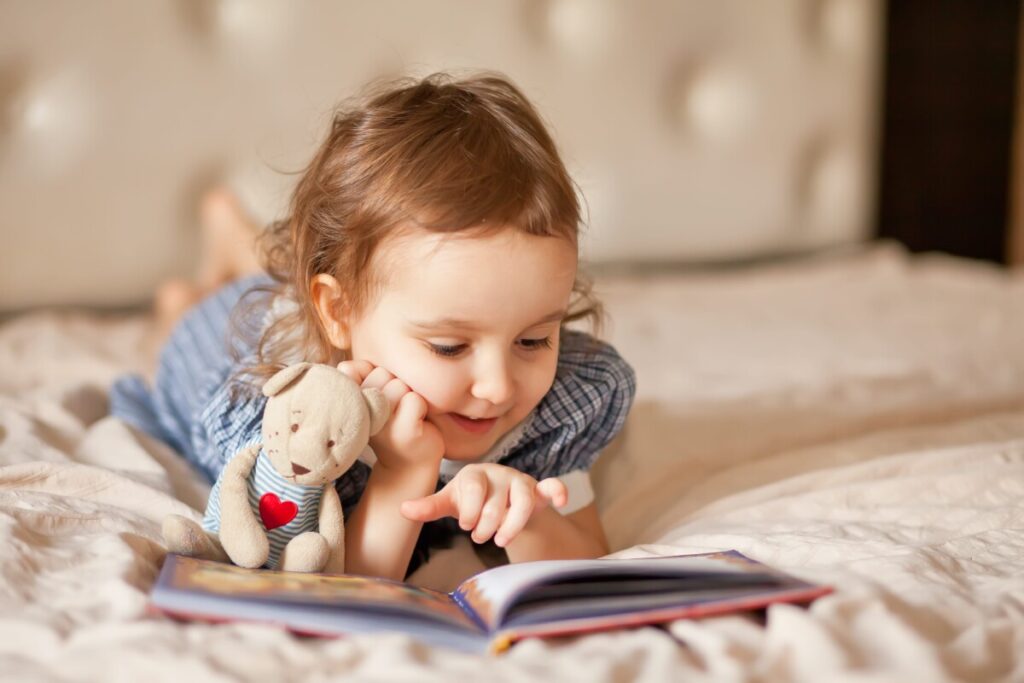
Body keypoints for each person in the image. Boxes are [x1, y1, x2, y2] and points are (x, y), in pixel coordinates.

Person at [110, 71, 636, 582]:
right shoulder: (294, 419)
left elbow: (588, 553)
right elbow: (332, 583)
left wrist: (528, 516)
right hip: (223, 337)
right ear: (336, 314)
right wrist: (400, 473)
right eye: (450, 347)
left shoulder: (558, 406)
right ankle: (188, 294)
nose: (498, 387)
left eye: (534, 339)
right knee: (187, 325)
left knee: (315, 271)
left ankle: (242, 241)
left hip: (327, 299)